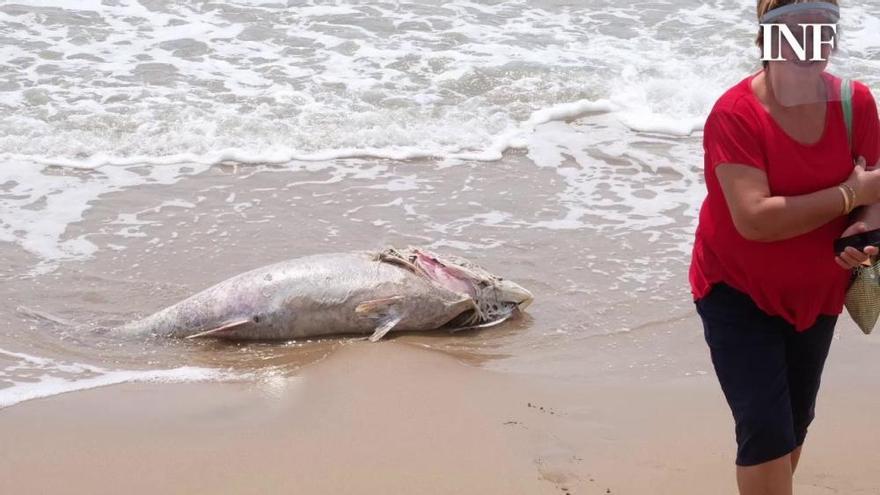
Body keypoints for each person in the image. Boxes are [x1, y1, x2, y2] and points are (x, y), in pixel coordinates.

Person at [689, 1, 880, 493]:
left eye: (821, 27)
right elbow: (755, 220)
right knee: (765, 430)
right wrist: (850, 195)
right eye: (794, 28)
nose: (809, 40)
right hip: (737, 289)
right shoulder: (736, 114)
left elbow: (877, 193)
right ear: (766, 36)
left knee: (795, 421)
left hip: (818, 292)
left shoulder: (854, 102)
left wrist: (867, 233)